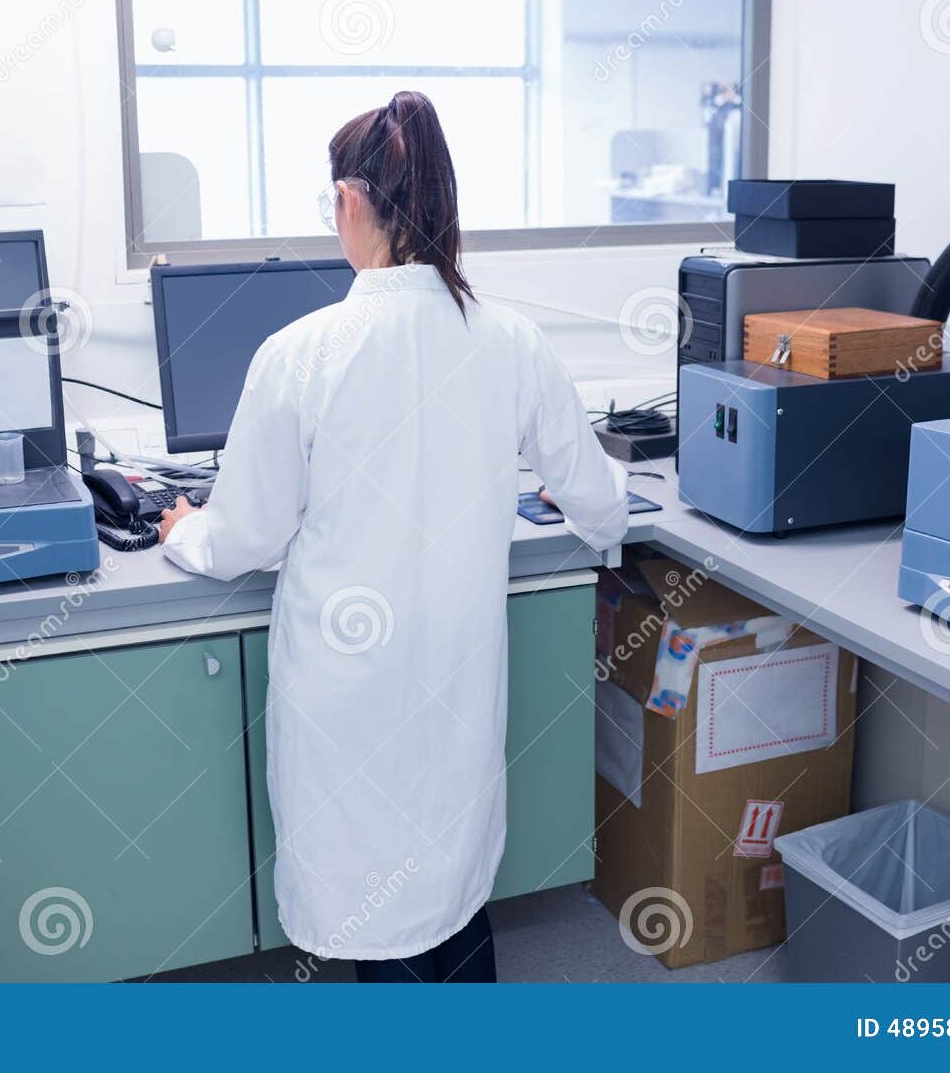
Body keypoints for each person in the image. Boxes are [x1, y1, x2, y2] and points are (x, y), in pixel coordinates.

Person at [158, 90, 629, 982]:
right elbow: (602, 507)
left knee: (373, 900)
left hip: (346, 684)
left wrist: (183, 529)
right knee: (444, 885)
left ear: (348, 201)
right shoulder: (511, 341)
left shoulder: (300, 352)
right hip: (453, 672)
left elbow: (244, 538)